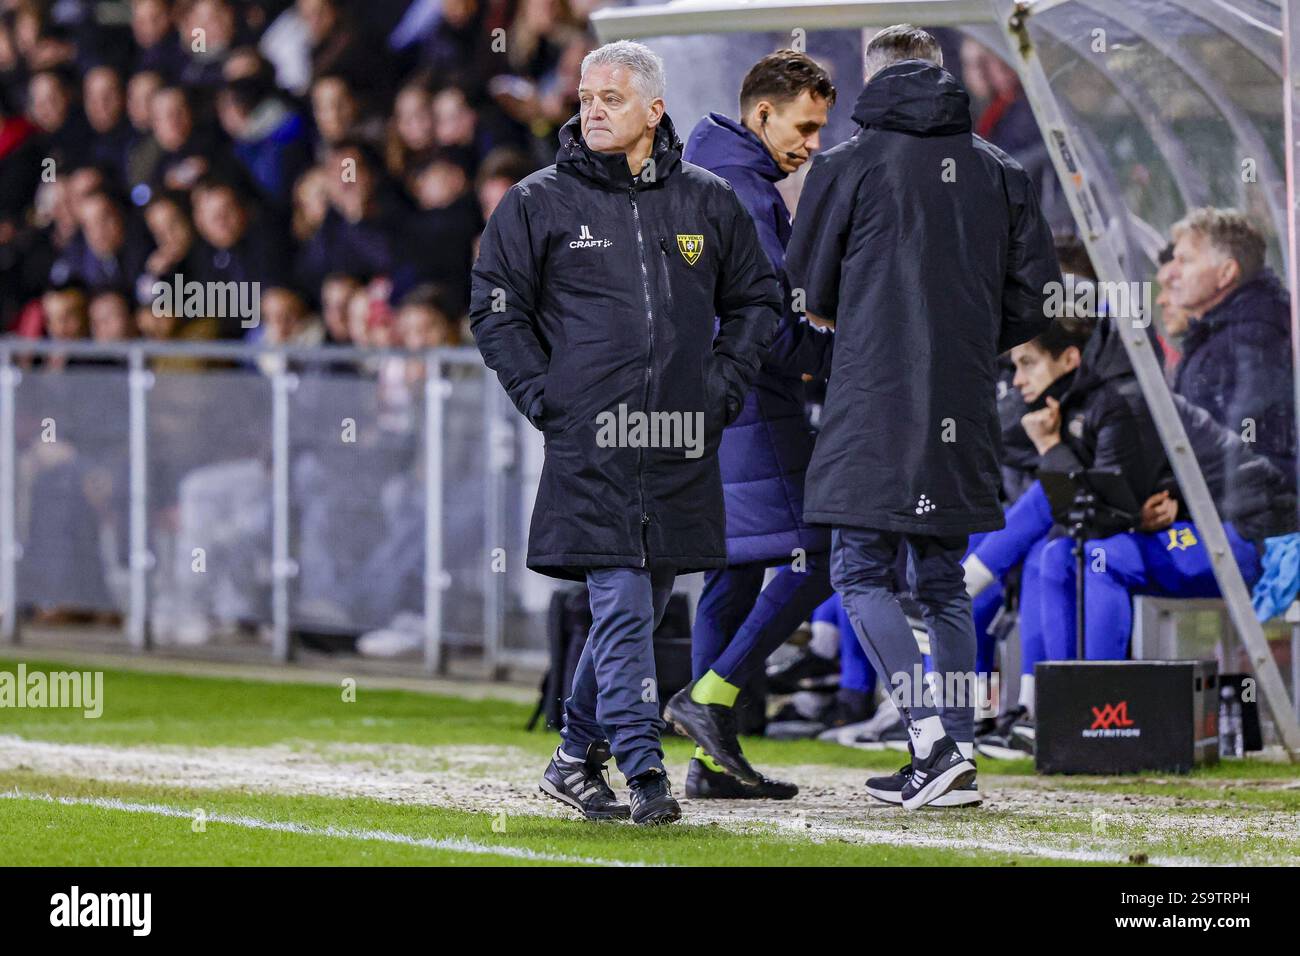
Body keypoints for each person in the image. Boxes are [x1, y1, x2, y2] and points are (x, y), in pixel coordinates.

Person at [469, 40, 781, 825]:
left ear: (654, 108)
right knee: (620, 599)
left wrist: (718, 391)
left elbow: (756, 303)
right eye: (585, 98)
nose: (594, 110)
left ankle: (575, 757)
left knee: (637, 603)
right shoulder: (539, 200)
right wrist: (547, 397)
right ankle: (645, 772)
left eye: (612, 98)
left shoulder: (707, 199)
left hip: (679, 439)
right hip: (592, 441)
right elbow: (494, 307)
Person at [785, 25, 1059, 810]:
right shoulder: (999, 168)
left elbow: (808, 283)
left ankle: (931, 743)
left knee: (860, 571)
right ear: (941, 76)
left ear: (872, 81)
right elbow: (1035, 299)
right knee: (941, 578)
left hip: (872, 400)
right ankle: (959, 750)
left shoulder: (845, 163)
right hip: (962, 404)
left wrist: (864, 320)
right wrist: (968, 340)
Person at [663, 49, 836, 800]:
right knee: (825, 551)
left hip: (709, 400)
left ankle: (707, 763)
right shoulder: (743, 190)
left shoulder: (703, 172)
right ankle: (709, 698)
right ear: (761, 113)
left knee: (730, 571)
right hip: (754, 403)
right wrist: (840, 353)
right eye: (805, 125)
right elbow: (765, 321)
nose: (812, 144)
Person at [1167, 207, 1296, 480]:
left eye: (1184, 261)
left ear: (1226, 273)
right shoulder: (1219, 334)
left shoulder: (1251, 341)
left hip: (1257, 515)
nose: (1170, 273)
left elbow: (1243, 456)